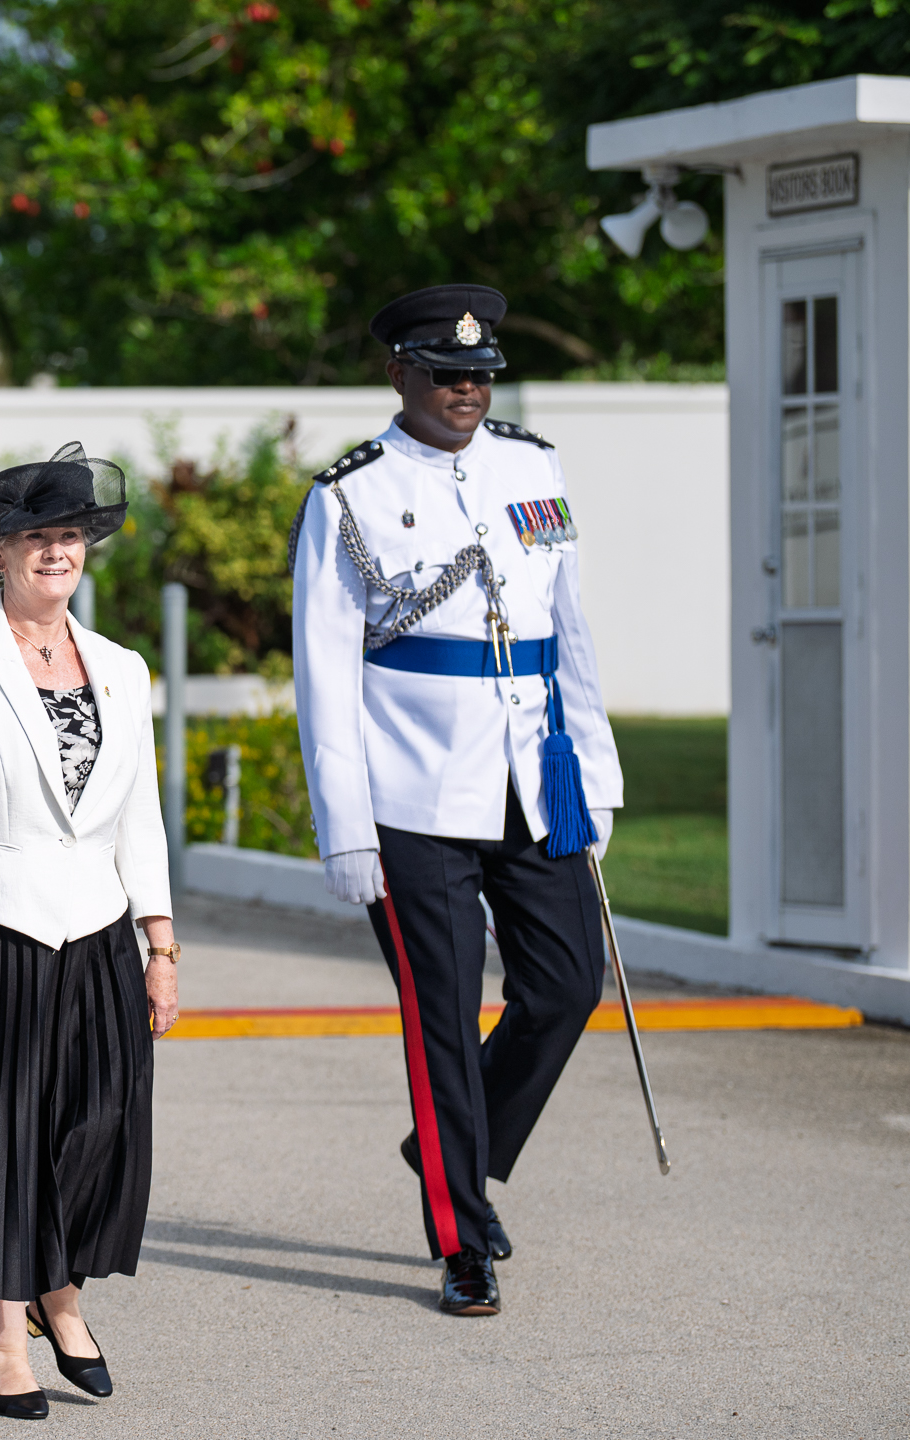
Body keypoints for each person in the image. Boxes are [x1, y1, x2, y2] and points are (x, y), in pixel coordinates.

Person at [288, 284, 623, 1317]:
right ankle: (460, 1236)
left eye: (481, 374)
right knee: (440, 1017)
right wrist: (345, 828)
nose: (468, 390)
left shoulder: (533, 466)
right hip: (410, 794)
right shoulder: (346, 495)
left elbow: (571, 632)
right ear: (399, 373)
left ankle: (451, 1134)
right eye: (446, 374)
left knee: (568, 987)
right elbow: (325, 674)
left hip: (537, 775)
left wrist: (595, 774)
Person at [0, 444, 179, 1420]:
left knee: (96, 1129)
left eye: (70, 536)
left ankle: (62, 1291)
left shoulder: (125, 669)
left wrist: (161, 942)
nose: (56, 552)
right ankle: (7, 1345)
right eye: (35, 538)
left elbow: (139, 814)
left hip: (96, 932)